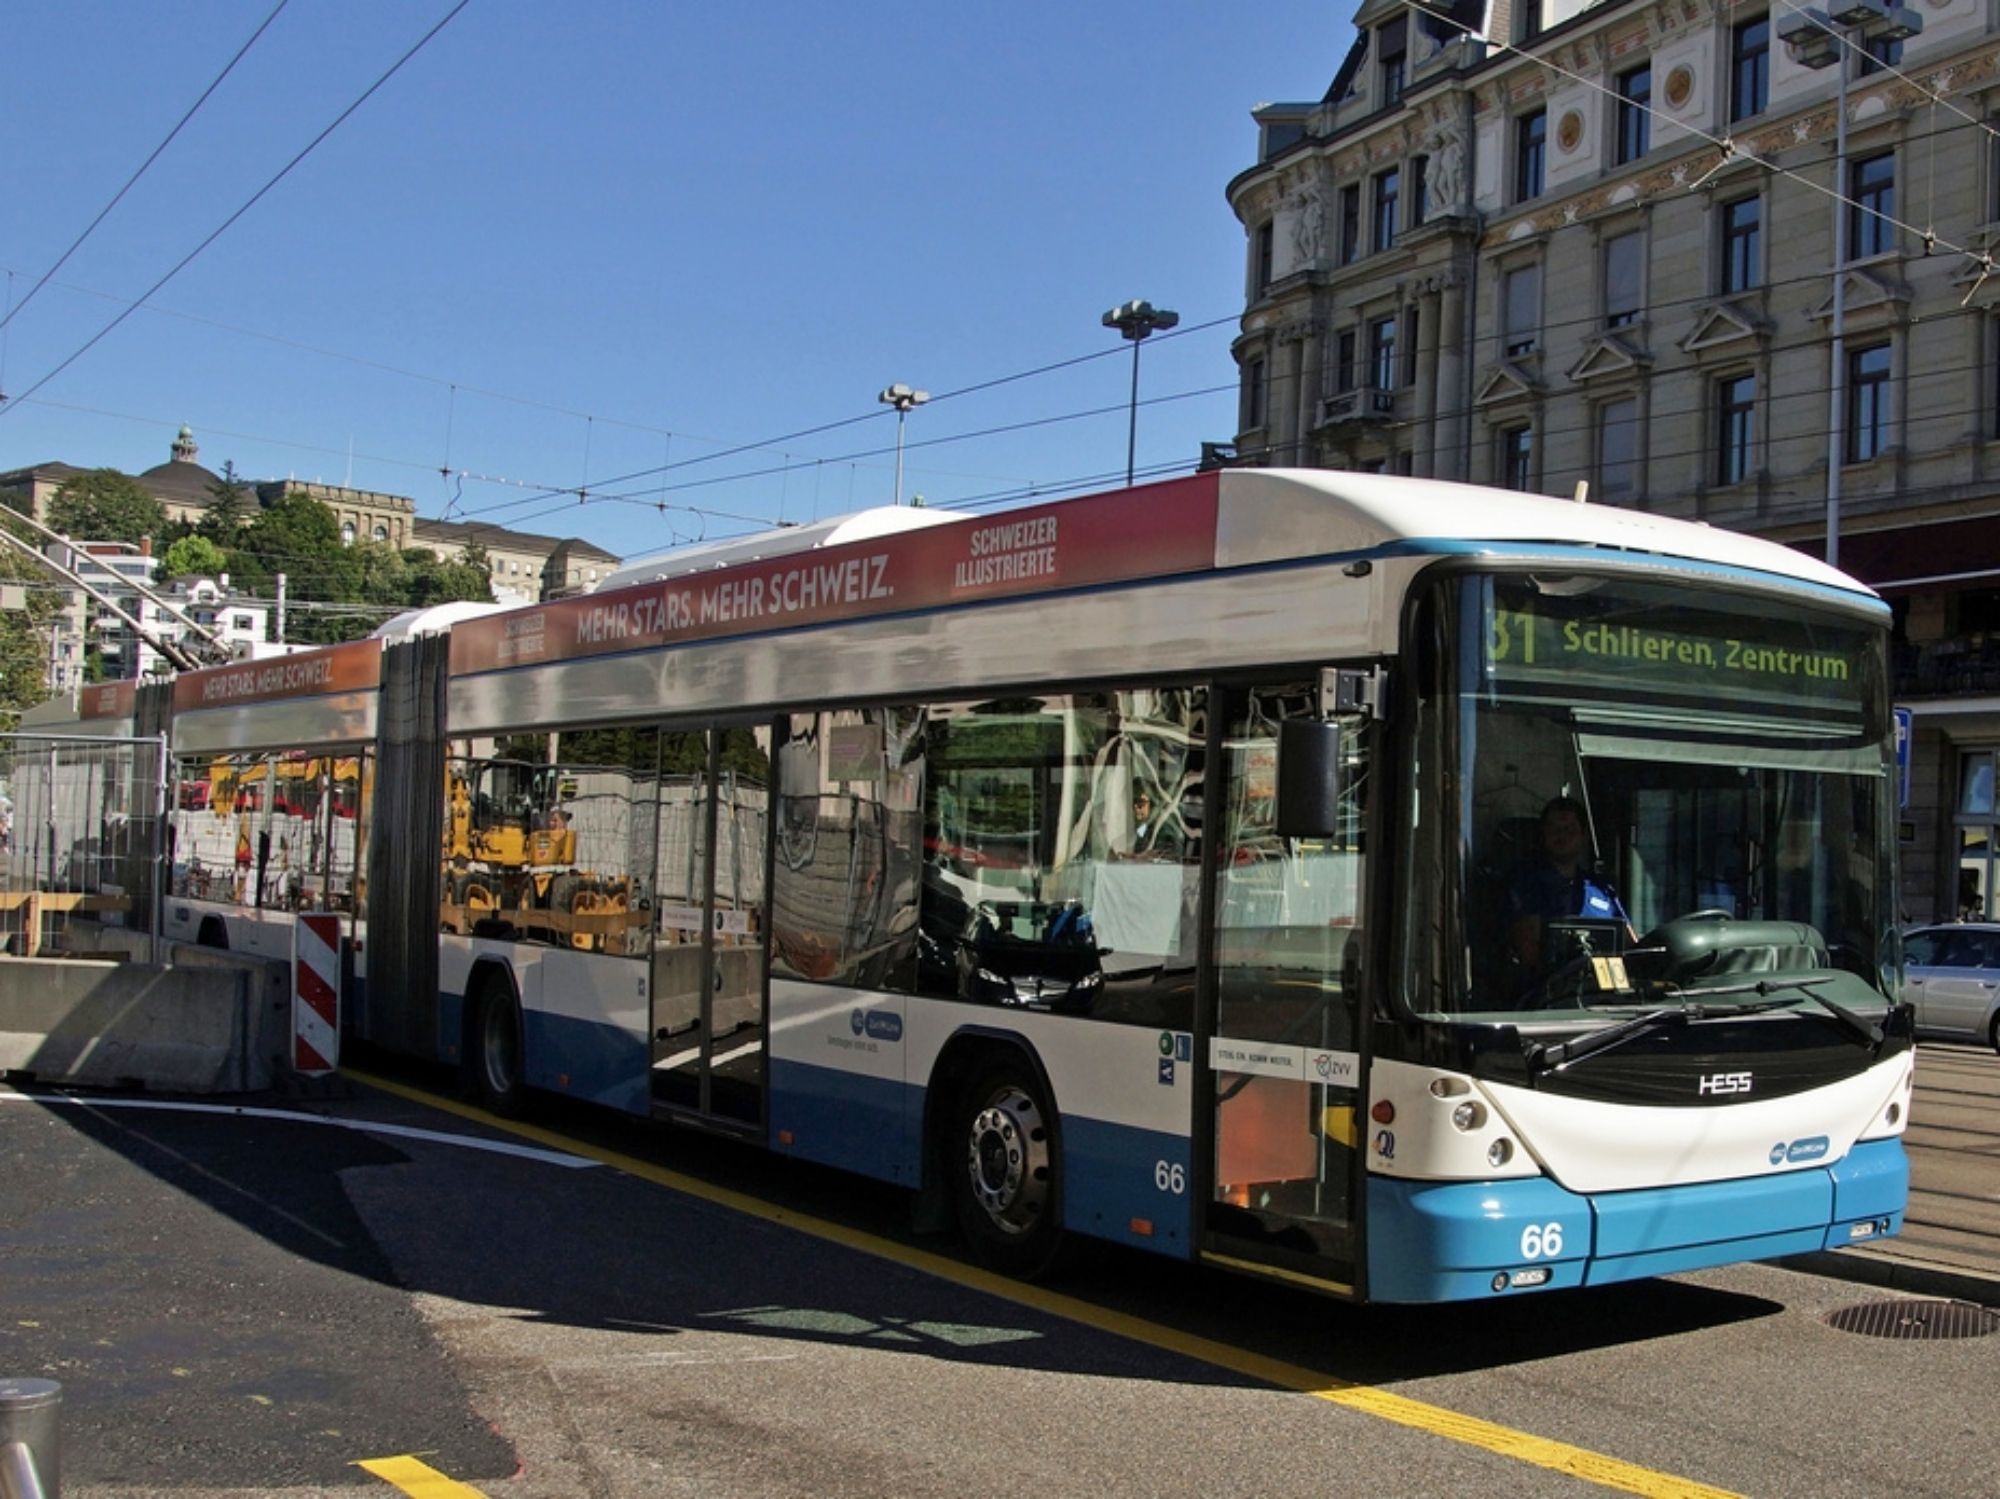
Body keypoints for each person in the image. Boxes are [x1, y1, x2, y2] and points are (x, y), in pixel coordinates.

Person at [1505, 796, 1627, 970]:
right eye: (1554, 829)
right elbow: (1529, 951)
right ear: (1543, 834)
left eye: (1570, 829)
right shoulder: (1525, 884)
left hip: (1603, 989)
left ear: (1584, 836)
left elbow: (1632, 945)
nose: (1562, 835)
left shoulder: (1603, 889)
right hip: (1550, 990)